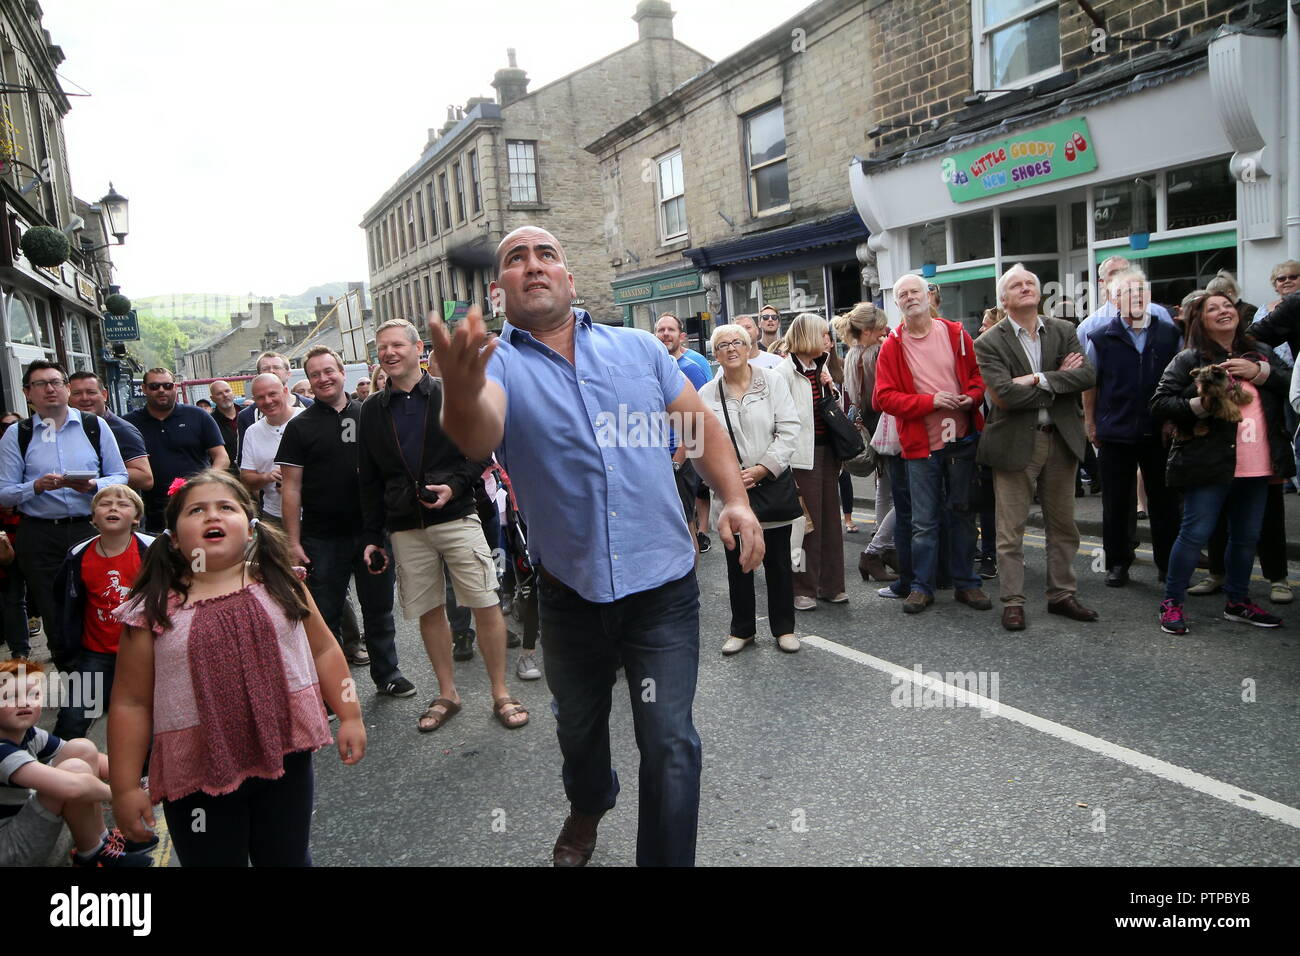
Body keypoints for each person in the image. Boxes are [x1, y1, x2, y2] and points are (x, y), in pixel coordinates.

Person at [430, 225, 762, 867]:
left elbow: (699, 429)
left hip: (663, 592)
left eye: (546, 254)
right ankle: (590, 803)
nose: (532, 265)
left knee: (669, 742)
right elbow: (475, 437)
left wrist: (736, 499)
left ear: (569, 278)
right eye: (515, 259)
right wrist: (462, 388)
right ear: (499, 289)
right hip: (570, 596)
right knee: (579, 736)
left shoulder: (639, 349)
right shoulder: (496, 366)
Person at [107, 469, 365, 866]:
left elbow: (325, 651)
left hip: (284, 753)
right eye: (196, 511)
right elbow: (131, 702)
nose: (212, 516)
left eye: (226, 507)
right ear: (174, 539)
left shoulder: (281, 583)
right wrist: (124, 788)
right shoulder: (152, 609)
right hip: (196, 769)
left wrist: (349, 713)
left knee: (288, 857)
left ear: (249, 528)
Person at [357, 319, 527, 734]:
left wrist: (453, 487)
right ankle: (447, 693)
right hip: (404, 526)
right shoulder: (371, 412)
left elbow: (481, 449)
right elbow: (369, 478)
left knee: (485, 602)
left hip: (457, 516)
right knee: (428, 611)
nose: (389, 353)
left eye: (397, 345)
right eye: (382, 348)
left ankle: (500, 692)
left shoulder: (449, 394)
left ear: (420, 349)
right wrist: (372, 536)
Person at [1150, 292, 1292, 634]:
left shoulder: (1260, 352)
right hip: (1209, 462)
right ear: (1201, 320)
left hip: (1258, 461)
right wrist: (1201, 403)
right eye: (1213, 308)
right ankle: (1172, 602)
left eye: (1227, 305)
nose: (1223, 311)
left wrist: (1258, 371)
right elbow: (1160, 404)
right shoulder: (1188, 358)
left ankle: (1238, 601)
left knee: (1246, 537)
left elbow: (1291, 383)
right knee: (1195, 533)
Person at [279, 345, 413, 697]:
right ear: (307, 381)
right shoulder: (298, 427)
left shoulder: (371, 414)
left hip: (372, 533)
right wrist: (292, 542)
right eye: (315, 374)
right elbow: (290, 489)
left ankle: (388, 674)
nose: (323, 379)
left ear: (343, 373)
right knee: (326, 616)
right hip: (321, 537)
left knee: (379, 609)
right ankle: (334, 688)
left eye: (329, 371)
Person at [974, 265, 1098, 631]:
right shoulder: (988, 342)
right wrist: (1061, 379)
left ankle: (1062, 594)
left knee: (1063, 525)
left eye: (1030, 283)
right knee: (1010, 529)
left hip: (1061, 439)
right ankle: (1013, 601)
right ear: (1004, 299)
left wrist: (1037, 378)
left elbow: (1087, 376)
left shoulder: (1064, 330)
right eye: (1017, 284)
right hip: (1014, 443)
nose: (1026, 287)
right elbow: (1007, 396)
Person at [874, 274, 991, 615]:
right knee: (923, 521)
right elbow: (884, 397)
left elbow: (977, 379)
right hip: (919, 446)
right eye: (902, 295)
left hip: (961, 441)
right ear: (897, 304)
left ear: (929, 296)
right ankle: (921, 587)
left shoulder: (956, 334)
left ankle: (966, 584)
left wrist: (971, 399)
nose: (910, 298)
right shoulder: (892, 345)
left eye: (915, 291)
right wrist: (930, 401)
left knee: (963, 514)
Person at [0, 360, 129, 666]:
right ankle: (76, 687)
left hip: (90, 528)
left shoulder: (93, 426)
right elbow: (4, 491)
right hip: (40, 533)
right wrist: (36, 487)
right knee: (54, 610)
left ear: (67, 389)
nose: (50, 389)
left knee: (101, 602)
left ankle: (110, 678)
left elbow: (120, 475)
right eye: (41, 384)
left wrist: (94, 484)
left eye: (56, 382)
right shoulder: (17, 434)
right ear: (27, 393)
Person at [699, 324, 800, 654]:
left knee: (778, 563)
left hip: (769, 485)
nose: (731, 349)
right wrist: (723, 479)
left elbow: (788, 430)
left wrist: (761, 469)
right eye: (723, 345)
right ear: (715, 355)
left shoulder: (773, 382)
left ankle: (784, 628)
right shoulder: (706, 394)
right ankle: (742, 630)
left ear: (749, 346)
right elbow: (699, 444)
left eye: (737, 342)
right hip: (731, 494)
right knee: (737, 564)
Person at [0, 658, 155, 867]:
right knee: (73, 771)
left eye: (33, 695)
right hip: (10, 850)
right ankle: (92, 855)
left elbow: (94, 759)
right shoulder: (2, 751)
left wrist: (140, 780)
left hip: (23, 826)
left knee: (81, 748)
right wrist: (125, 795)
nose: (24, 703)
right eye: (10, 697)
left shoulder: (28, 733)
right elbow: (73, 787)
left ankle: (102, 842)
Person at [1082, 270, 1183, 586]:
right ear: (1114, 300)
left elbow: (1181, 382)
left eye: (1141, 289)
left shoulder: (1169, 334)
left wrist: (1174, 419)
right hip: (1115, 431)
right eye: (1126, 291)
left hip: (1159, 431)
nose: (1136, 295)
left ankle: (1168, 565)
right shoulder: (1100, 337)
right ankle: (1117, 563)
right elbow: (1091, 385)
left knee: (1164, 503)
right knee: (1116, 503)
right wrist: (1090, 422)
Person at [50, 485, 152, 740]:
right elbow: (63, 599)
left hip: (146, 651)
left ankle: (149, 774)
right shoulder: (78, 554)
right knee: (73, 716)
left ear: (137, 517)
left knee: (151, 717)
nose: (114, 508)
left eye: (123, 504)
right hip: (96, 653)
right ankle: (57, 767)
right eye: (105, 504)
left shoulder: (153, 549)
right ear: (93, 516)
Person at [776, 313, 846, 609]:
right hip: (800, 457)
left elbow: (835, 411)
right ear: (805, 337)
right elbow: (778, 419)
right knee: (805, 526)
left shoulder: (823, 368)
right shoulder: (783, 373)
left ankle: (831, 585)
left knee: (830, 522)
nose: (826, 340)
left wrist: (831, 385)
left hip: (828, 452)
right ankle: (802, 588)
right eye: (821, 334)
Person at [837, 303, 898, 583]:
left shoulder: (852, 354)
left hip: (871, 427)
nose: (886, 330)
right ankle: (876, 550)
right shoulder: (877, 352)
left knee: (884, 489)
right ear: (868, 330)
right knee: (900, 493)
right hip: (886, 426)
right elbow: (881, 396)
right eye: (881, 326)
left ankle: (885, 547)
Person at [124, 368, 228, 533]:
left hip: (196, 502)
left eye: (167, 385)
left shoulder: (198, 416)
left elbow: (221, 457)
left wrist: (207, 481)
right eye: (154, 386)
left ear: (175, 387)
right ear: (144, 389)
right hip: (150, 510)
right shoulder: (129, 424)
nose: (161, 390)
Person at [68, 372, 153, 493]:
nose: (85, 398)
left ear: (104, 395)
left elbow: (145, 478)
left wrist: (97, 475)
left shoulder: (122, 430)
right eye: (77, 393)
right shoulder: (64, 429)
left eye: (91, 392)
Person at [239, 374, 304, 526]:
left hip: (316, 512)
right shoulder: (252, 432)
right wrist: (268, 476)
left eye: (272, 394)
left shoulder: (307, 419)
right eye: (260, 397)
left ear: (286, 391)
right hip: (275, 515)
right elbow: (246, 479)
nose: (268, 401)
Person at [235, 351, 313, 454]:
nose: (271, 371)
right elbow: (243, 460)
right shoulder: (247, 415)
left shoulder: (310, 406)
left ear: (288, 373)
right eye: (265, 369)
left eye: (276, 367)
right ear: (258, 375)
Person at [1079, 255, 1174, 333]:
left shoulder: (1159, 313)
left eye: (1125, 271)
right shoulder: (1089, 327)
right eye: (1114, 273)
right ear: (1102, 282)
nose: (1121, 276)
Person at [0, 413, 25, 660]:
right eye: (4, 426)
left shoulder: (31, 453)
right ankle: (19, 649)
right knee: (12, 594)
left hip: (28, 531)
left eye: (14, 426)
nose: (9, 430)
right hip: (5, 537)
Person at [653, 313, 711, 388]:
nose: (666, 333)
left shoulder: (692, 368)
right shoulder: (652, 368)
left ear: (681, 337)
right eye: (661, 330)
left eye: (671, 329)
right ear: (654, 337)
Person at [208, 380, 242, 472]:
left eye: (227, 391)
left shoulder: (247, 415)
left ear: (233, 392)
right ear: (212, 398)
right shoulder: (209, 422)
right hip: (228, 475)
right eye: (219, 393)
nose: (225, 395)